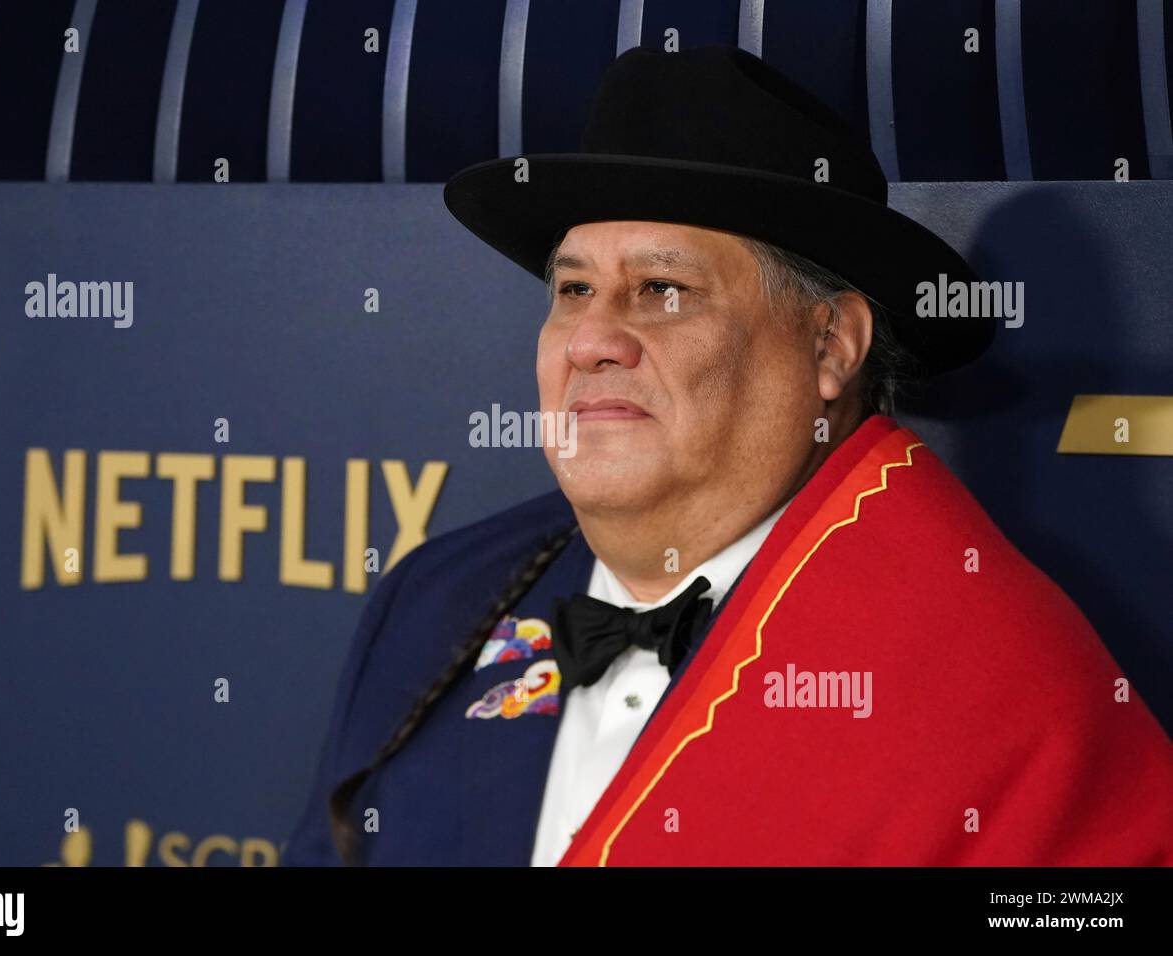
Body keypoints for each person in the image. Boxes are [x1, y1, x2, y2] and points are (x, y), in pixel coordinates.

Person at [282, 45, 1173, 866]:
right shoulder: (434, 595)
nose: (590, 339)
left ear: (830, 348)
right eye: (574, 289)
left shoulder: (1006, 698)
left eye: (662, 291)